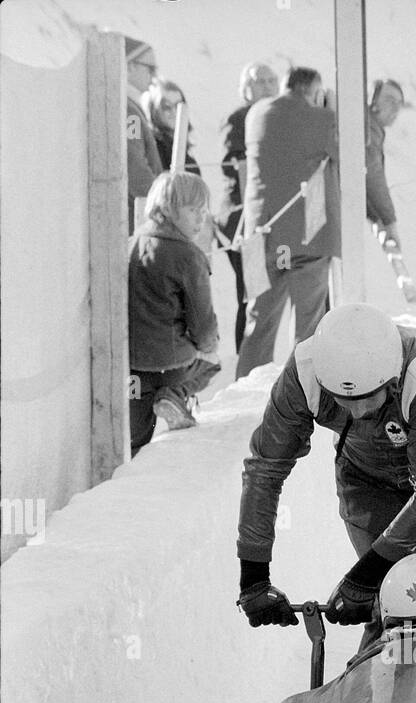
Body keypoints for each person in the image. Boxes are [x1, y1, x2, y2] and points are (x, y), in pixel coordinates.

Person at [236, 303, 416, 648]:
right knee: (392, 613)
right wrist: (253, 575)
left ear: (392, 378)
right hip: (368, 481)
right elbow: (265, 468)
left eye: (368, 398)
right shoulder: (303, 372)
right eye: (344, 400)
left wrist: (365, 573)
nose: (358, 411)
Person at [235, 67, 340, 379]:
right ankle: (302, 390)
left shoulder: (255, 114)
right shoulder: (321, 119)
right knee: (307, 325)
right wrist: (331, 110)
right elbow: (348, 154)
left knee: (258, 323)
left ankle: (244, 393)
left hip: (258, 232)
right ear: (313, 91)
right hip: (306, 236)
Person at [128, 171, 220, 453]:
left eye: (204, 211)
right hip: (171, 364)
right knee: (212, 361)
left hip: (131, 368)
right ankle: (175, 394)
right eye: (193, 211)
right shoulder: (188, 256)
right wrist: (207, 347)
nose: (201, 219)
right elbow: (203, 325)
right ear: (167, 209)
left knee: (135, 445)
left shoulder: (131, 243)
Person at [216, 63, 279, 352]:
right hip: (241, 216)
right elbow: (232, 164)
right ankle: (247, 356)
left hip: (270, 214)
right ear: (246, 89)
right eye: (260, 81)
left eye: (272, 81)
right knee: (250, 290)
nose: (267, 86)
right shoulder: (239, 118)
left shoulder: (280, 117)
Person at [125, 38, 162, 234]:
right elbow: (135, 169)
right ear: (130, 66)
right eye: (150, 69)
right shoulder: (127, 110)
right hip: (134, 219)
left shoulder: (129, 106)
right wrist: (163, 205)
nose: (154, 77)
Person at [366, 79, 404, 248]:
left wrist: (376, 217)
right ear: (372, 99)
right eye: (389, 100)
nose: (395, 108)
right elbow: (372, 177)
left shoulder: (372, 130)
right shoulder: (368, 130)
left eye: (399, 104)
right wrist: (389, 222)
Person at [141, 79, 202, 173]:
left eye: (179, 105)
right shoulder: (154, 147)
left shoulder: (181, 145)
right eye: (166, 107)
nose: (174, 112)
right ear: (153, 110)